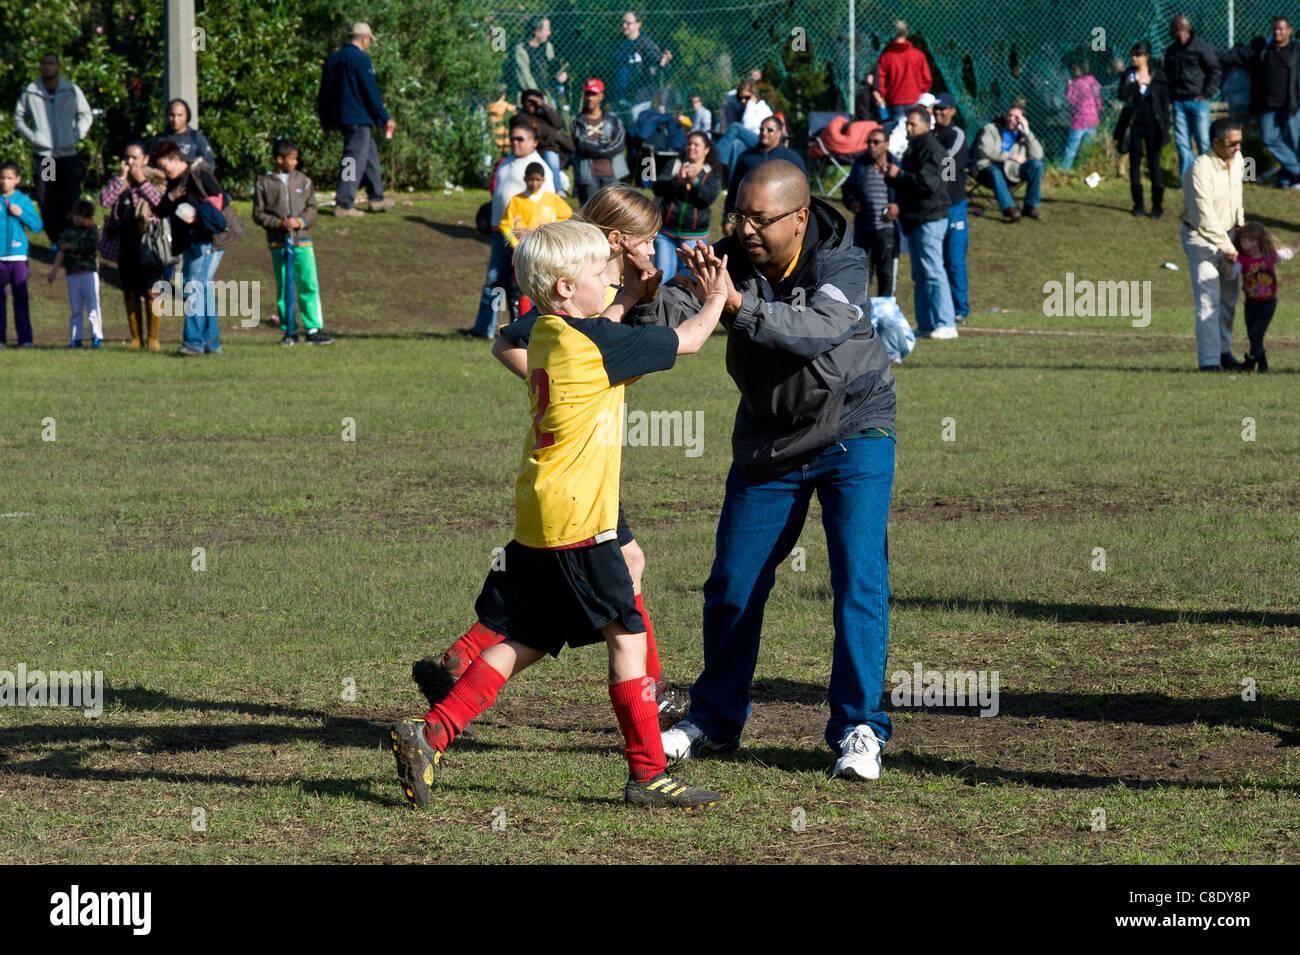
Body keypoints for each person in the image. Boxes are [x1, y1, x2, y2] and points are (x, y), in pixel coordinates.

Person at [388, 219, 729, 810]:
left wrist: (623, 300)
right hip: (582, 520)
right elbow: (691, 339)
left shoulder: (548, 330)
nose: (612, 273)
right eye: (601, 270)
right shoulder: (598, 341)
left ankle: (431, 734)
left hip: (540, 513)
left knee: (528, 638)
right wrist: (717, 296)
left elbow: (605, 327)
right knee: (629, 635)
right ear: (567, 288)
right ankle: (649, 775)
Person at [643, 160, 898, 781]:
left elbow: (814, 330)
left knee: (857, 579)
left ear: (800, 217)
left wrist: (735, 304)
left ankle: (859, 728)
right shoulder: (727, 257)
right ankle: (713, 718)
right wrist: (644, 293)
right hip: (769, 439)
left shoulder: (841, 260)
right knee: (732, 584)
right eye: (739, 216)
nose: (747, 229)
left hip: (852, 429)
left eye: (762, 218)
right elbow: (669, 322)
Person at [417, 186, 691, 731]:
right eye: (646, 240)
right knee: (584, 595)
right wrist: (559, 395)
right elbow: (506, 342)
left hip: (579, 473)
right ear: (617, 242)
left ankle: (459, 660)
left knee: (555, 590)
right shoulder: (573, 293)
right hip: (576, 475)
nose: (653, 249)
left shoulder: (603, 292)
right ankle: (650, 695)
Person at [466, 120, 555, 339]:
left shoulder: (538, 167)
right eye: (512, 138)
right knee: (495, 281)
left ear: (533, 142)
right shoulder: (505, 162)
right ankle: (485, 328)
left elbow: (548, 203)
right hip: (500, 233)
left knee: (526, 285)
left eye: (520, 138)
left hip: (525, 237)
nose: (514, 142)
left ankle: (529, 329)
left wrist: (536, 236)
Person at [149, 138, 228, 357]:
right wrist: (172, 196)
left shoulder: (198, 172)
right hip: (190, 242)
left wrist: (197, 217)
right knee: (202, 289)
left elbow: (221, 200)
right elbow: (162, 211)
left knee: (194, 287)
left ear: (175, 158)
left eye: (164, 166)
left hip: (207, 240)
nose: (164, 172)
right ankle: (212, 343)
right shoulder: (175, 182)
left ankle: (193, 342)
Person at [252, 138, 333, 347]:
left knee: (308, 283)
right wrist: (279, 223)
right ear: (279, 160)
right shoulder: (264, 183)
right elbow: (258, 214)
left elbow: (312, 208)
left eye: (296, 158)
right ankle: (289, 330)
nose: (295, 162)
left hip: (303, 242)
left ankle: (313, 329)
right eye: (292, 158)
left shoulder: (304, 181)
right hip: (278, 244)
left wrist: (299, 222)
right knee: (284, 287)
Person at [1180, 118, 1245, 371]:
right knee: (1209, 301)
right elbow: (1204, 219)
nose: (1238, 148)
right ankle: (1208, 362)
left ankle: (1223, 351)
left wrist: (1239, 232)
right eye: (1233, 143)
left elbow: (1237, 195)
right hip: (1201, 238)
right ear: (1216, 143)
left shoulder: (1238, 160)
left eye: (1240, 142)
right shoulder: (1200, 169)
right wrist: (1230, 250)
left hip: (1229, 238)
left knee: (1229, 300)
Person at [888, 107, 957, 339]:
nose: (908, 128)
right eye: (907, 124)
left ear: (926, 126)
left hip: (931, 217)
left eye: (913, 124)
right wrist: (894, 178)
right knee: (920, 274)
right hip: (916, 218)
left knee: (933, 270)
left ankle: (946, 323)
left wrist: (899, 176)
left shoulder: (932, 149)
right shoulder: (914, 148)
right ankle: (926, 323)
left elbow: (929, 184)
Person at [317, 22, 396, 218]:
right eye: (369, 40)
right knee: (351, 160)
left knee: (370, 157)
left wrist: (325, 120)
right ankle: (344, 203)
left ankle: (377, 198)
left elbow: (324, 93)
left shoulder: (333, 58)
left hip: (341, 118)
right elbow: (370, 91)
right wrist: (384, 117)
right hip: (358, 118)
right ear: (364, 39)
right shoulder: (360, 59)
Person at [12, 52, 92, 245]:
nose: (47, 67)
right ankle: (56, 239)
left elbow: (86, 114)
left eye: (51, 63)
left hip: (67, 155)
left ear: (58, 67)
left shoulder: (70, 90)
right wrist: (35, 137)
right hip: (47, 158)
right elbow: (18, 118)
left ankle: (72, 237)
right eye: (44, 64)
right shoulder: (32, 91)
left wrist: (76, 135)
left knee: (71, 197)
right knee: (48, 198)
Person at [99, 142, 165, 349]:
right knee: (130, 291)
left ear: (145, 159)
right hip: (125, 244)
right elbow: (104, 201)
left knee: (152, 291)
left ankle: (153, 337)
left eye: (135, 157)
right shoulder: (120, 181)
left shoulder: (155, 180)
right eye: (127, 157)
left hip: (150, 245)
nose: (130, 162)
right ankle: (136, 337)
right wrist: (121, 180)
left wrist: (142, 181)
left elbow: (160, 205)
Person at [1220, 17, 1300, 188]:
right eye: (1275, 29)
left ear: (1289, 30)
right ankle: (1296, 172)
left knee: (1293, 143)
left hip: (1291, 106)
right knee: (1269, 138)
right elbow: (1240, 55)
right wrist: (1215, 56)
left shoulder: (1296, 50)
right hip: (1266, 106)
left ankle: (1287, 179)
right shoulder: (1263, 49)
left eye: (1281, 29)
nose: (1278, 32)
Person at [652, 131, 722, 279]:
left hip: (693, 237)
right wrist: (676, 181)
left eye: (696, 144)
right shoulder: (675, 164)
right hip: (666, 234)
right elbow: (657, 188)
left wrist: (695, 181)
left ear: (706, 149)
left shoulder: (712, 172)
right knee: (662, 278)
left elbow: (709, 197)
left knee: (687, 282)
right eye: (689, 144)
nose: (691, 147)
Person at [1229, 222, 1299, 372]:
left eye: (1251, 240)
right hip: (1251, 304)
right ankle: (1261, 364)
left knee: (1256, 332)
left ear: (1260, 240)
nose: (1247, 244)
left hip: (1267, 303)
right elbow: (1232, 275)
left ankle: (1252, 361)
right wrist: (1228, 263)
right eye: (1244, 240)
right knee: (1253, 335)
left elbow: (1288, 253)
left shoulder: (1270, 255)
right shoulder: (1242, 260)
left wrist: (1297, 244)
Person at [842, 128, 900, 298]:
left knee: (886, 275)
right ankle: (863, 316)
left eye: (876, 142)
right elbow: (847, 189)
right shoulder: (860, 165)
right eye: (869, 142)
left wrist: (897, 207)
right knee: (862, 274)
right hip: (864, 228)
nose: (871, 146)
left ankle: (885, 314)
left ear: (886, 145)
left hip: (887, 229)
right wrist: (851, 202)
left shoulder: (896, 165)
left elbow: (908, 193)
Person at [1116, 41, 1171, 218]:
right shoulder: (1128, 75)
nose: (1134, 58)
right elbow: (1122, 95)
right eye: (1132, 55)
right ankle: (1138, 204)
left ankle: (1157, 206)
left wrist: (1165, 129)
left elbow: (1163, 105)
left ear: (1147, 57)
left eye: (1138, 55)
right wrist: (1137, 83)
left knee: (1154, 164)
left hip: (1153, 126)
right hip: (1133, 125)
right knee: (1134, 164)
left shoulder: (1159, 77)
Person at [722, 116, 806, 229]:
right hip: (749, 221)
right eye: (761, 129)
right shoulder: (746, 157)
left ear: (779, 133)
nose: (764, 133)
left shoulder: (792, 159)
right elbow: (734, 189)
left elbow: (804, 193)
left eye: (769, 130)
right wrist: (727, 218)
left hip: (781, 221)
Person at [1165, 16, 1220, 180]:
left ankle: (1206, 178)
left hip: (1198, 102)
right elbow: (1168, 73)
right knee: (1182, 143)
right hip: (1179, 102)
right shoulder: (1172, 50)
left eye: (1171, 28)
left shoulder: (1201, 47)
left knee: (1203, 141)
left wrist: (1206, 94)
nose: (1168, 31)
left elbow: (1215, 70)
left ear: (1179, 28)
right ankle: (1187, 180)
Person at [932, 93, 970, 322]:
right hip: (934, 209)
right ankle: (941, 310)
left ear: (953, 110)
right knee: (935, 264)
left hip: (954, 206)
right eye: (936, 109)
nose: (939, 113)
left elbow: (946, 163)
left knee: (954, 261)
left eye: (944, 109)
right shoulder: (930, 134)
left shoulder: (956, 135)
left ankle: (961, 310)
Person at [972, 104, 1045, 221]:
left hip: (1012, 172)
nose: (1011, 119)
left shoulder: (1023, 136)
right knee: (995, 172)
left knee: (1037, 165)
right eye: (1010, 115)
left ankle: (1030, 206)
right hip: (987, 170)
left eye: (1016, 117)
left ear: (1022, 120)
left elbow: (1038, 155)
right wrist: (1011, 156)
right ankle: (1009, 208)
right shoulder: (991, 129)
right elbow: (985, 150)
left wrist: (1027, 132)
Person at [46, 199, 101, 348]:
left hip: (89, 273)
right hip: (72, 274)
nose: (78, 219)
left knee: (93, 307)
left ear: (89, 217)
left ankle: (96, 336)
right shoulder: (68, 232)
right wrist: (54, 272)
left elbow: (90, 246)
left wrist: (71, 246)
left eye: (83, 216)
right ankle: (76, 338)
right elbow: (61, 251)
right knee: (75, 308)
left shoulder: (92, 231)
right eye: (77, 215)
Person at [0, 162, 43, 348]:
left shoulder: (24, 201)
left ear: (17, 179)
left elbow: (37, 226)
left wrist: (21, 214)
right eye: (2, 178)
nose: (4, 182)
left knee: (21, 300)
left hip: (18, 258)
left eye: (9, 178)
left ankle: (25, 340)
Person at [570, 79, 628, 203]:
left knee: (612, 214)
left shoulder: (613, 120)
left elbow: (619, 144)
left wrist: (594, 149)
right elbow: (581, 144)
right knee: (589, 215)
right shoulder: (577, 121)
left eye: (594, 94)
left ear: (601, 96)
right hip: (587, 176)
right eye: (588, 94)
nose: (590, 98)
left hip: (612, 174)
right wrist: (606, 143)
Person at [614, 11, 672, 121]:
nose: (624, 26)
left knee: (637, 129)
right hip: (621, 95)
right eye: (623, 23)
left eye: (628, 23)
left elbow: (658, 60)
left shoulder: (644, 43)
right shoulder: (621, 44)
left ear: (638, 24)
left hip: (639, 97)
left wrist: (664, 60)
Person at [874, 20, 932, 133]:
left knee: (896, 133)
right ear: (906, 33)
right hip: (915, 100)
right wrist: (920, 93)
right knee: (915, 132)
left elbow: (881, 82)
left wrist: (883, 96)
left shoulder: (886, 57)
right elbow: (927, 79)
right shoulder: (917, 55)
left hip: (894, 102)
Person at [518, 89, 572, 190]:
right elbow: (539, 131)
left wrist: (544, 106)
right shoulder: (521, 117)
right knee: (551, 157)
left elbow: (559, 123)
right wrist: (554, 133)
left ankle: (569, 189)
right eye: (528, 102)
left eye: (534, 102)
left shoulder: (544, 115)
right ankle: (558, 189)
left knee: (573, 156)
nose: (531, 105)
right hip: (538, 148)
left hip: (554, 147)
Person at [714, 81, 773, 172]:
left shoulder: (761, 108)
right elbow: (728, 96)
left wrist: (750, 103)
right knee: (736, 144)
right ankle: (733, 182)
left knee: (735, 127)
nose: (743, 101)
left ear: (754, 96)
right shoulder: (744, 107)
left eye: (747, 97)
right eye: (740, 98)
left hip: (761, 141)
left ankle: (714, 158)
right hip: (747, 142)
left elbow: (747, 125)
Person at [153, 99, 217, 172]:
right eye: (172, 115)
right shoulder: (160, 138)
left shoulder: (196, 138)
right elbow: (150, 163)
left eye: (180, 115)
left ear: (187, 116)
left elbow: (210, 164)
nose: (175, 119)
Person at [514, 16, 566, 106]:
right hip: (529, 99)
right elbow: (525, 79)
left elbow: (551, 70)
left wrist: (560, 74)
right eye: (547, 30)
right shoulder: (521, 50)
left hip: (548, 96)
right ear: (537, 32)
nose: (549, 33)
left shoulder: (548, 47)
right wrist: (540, 98)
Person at [1061, 63, 1102, 171]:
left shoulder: (1076, 84)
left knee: (1071, 148)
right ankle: (1085, 167)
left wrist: (1069, 87)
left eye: (1074, 69)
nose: (1073, 72)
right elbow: (1098, 100)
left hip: (1080, 120)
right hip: (1093, 119)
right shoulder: (1093, 81)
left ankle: (1065, 169)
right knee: (1087, 147)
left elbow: (1071, 101)